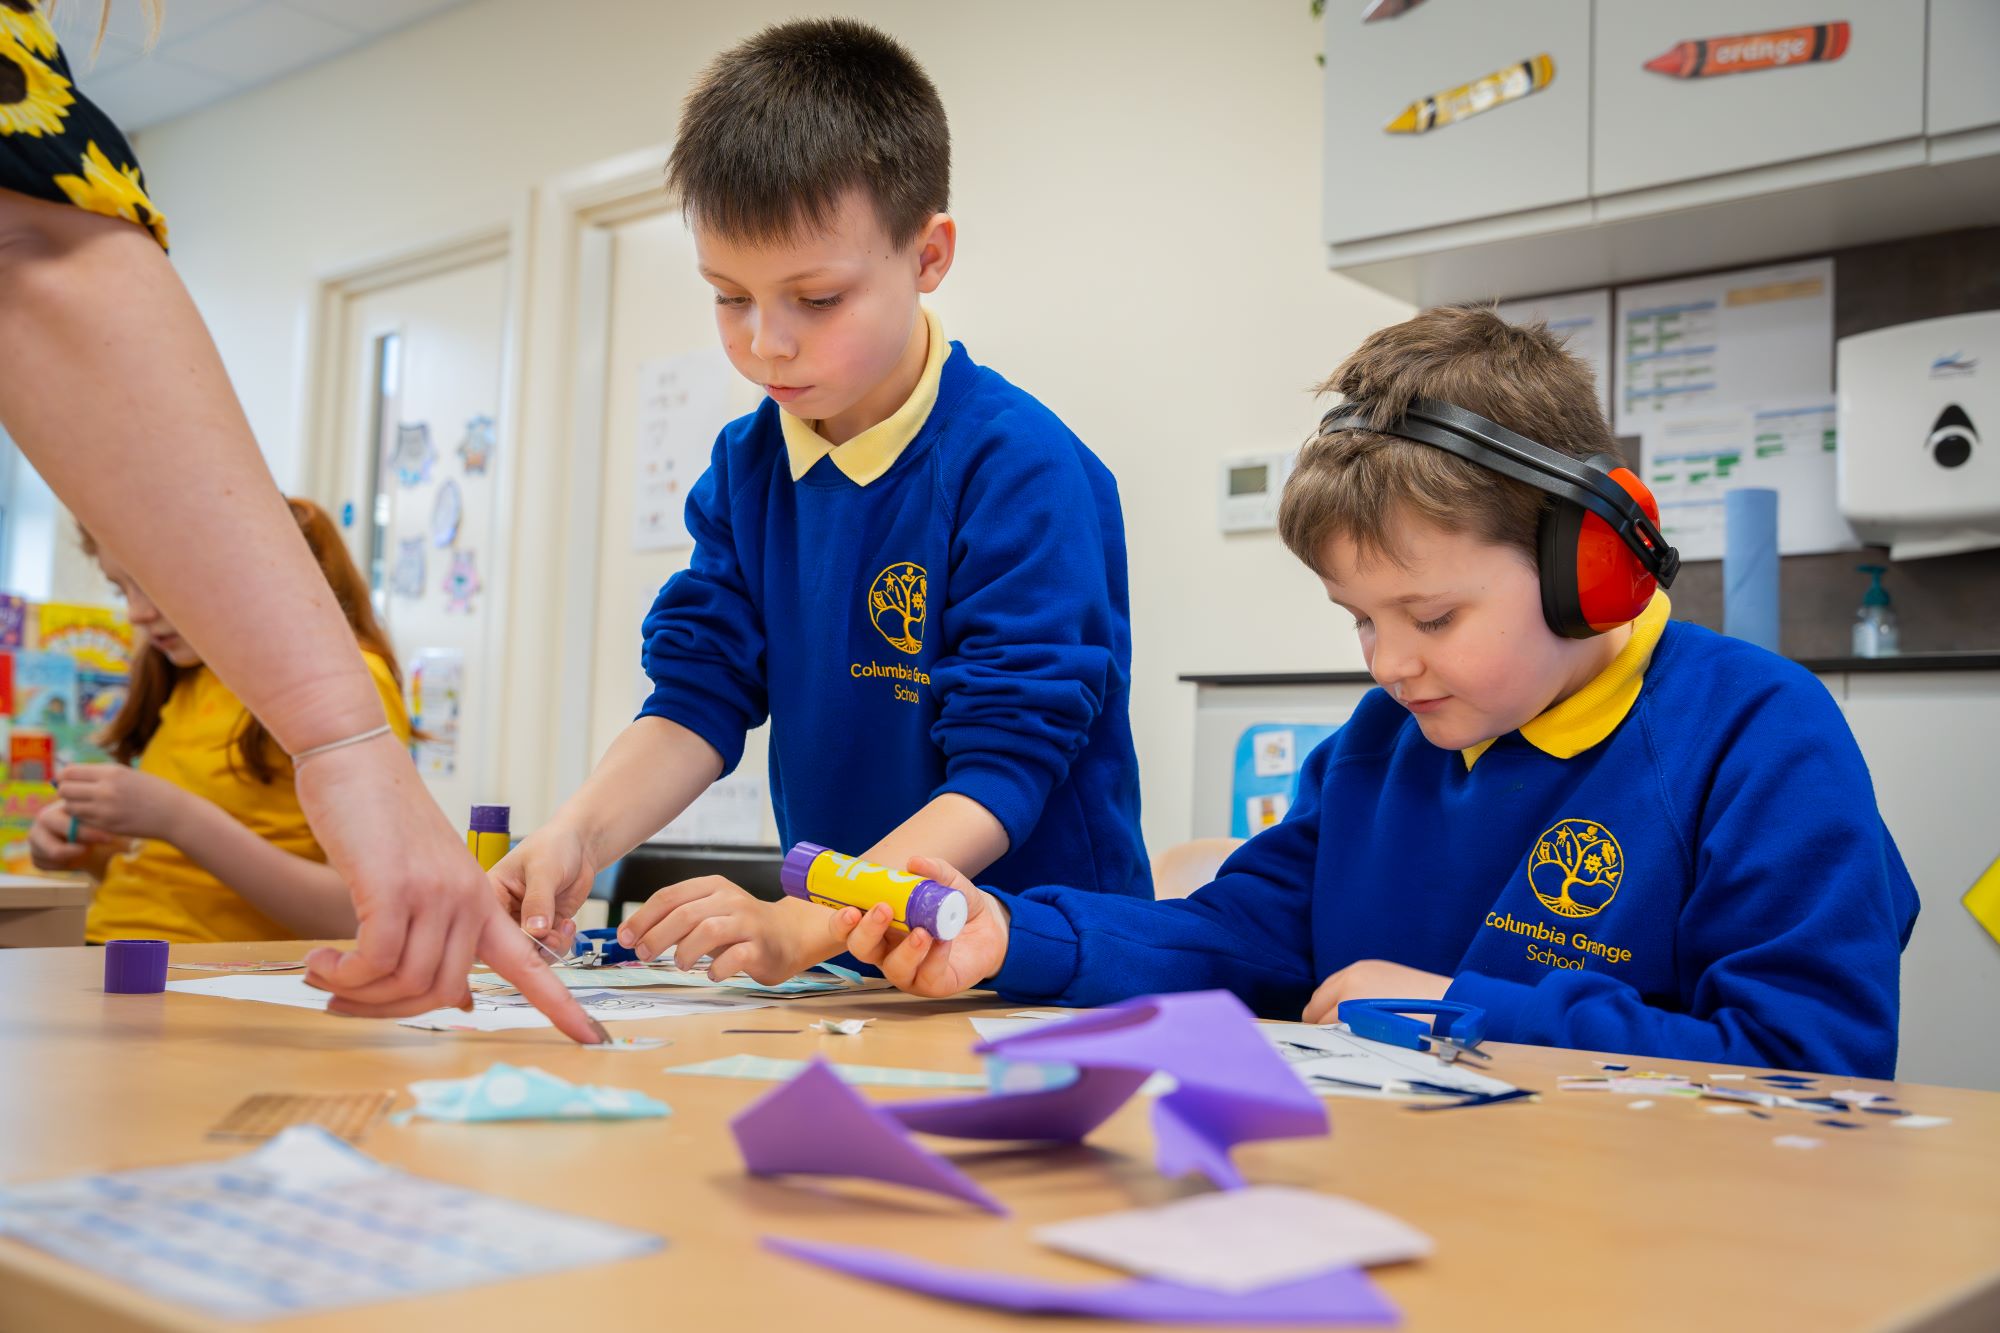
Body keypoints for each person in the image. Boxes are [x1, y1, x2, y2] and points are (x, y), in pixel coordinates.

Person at [838, 306, 1920, 1079]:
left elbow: (1810, 1060)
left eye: (1431, 617)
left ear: (1585, 564)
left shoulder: (1755, 736)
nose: (1386, 664)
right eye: (1360, 619)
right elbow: (1242, 935)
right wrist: (1007, 936)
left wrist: (1451, 1012)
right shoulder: (1380, 741)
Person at [495, 18, 1149, 983]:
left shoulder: (1019, 466)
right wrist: (575, 836)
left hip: (1032, 963)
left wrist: (817, 917)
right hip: (851, 958)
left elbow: (1002, 772)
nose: (767, 344)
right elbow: (696, 698)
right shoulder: (749, 467)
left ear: (928, 257)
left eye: (817, 299)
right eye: (729, 296)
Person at [0, 1, 596, 1037]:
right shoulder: (170, 689)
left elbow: (36, 258)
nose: (148, 607)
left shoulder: (300, 680)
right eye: (124, 583)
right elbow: (37, 253)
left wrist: (341, 744)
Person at [32, 500, 409, 943]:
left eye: (154, 584)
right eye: (122, 590)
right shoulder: (190, 674)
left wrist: (176, 817)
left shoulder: (349, 678)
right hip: (113, 950)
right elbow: (177, 878)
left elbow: (357, 912)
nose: (135, 613)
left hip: (214, 976)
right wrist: (85, 847)